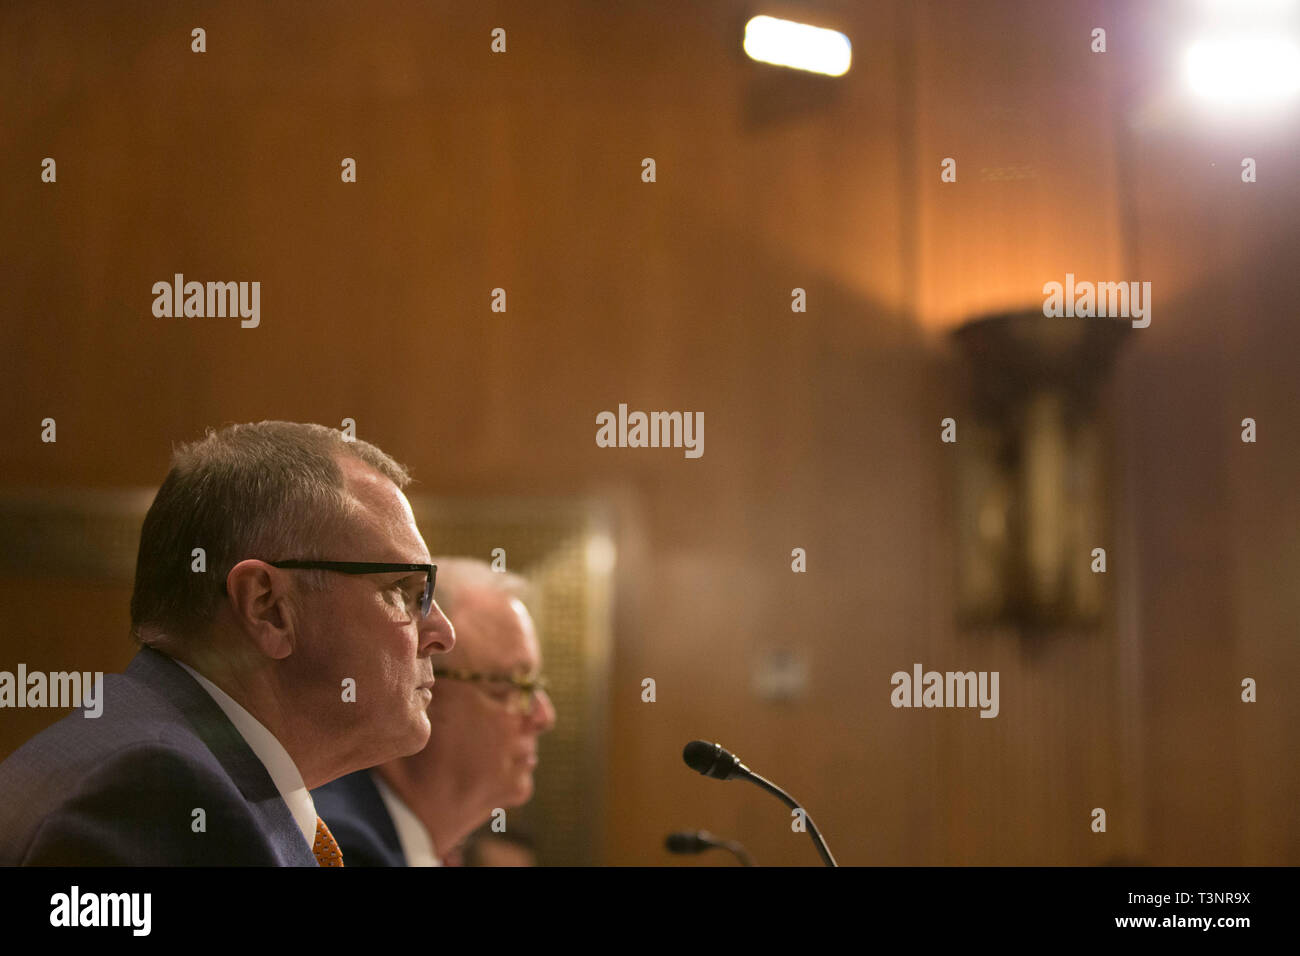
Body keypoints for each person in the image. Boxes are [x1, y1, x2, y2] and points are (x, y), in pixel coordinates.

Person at [0, 421, 454, 865]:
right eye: (400, 589)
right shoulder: (158, 796)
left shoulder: (181, 765)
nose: (442, 633)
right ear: (268, 607)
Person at [313, 557, 555, 865]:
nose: (544, 716)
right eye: (511, 684)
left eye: (534, 685)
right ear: (415, 682)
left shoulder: (417, 844)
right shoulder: (339, 849)